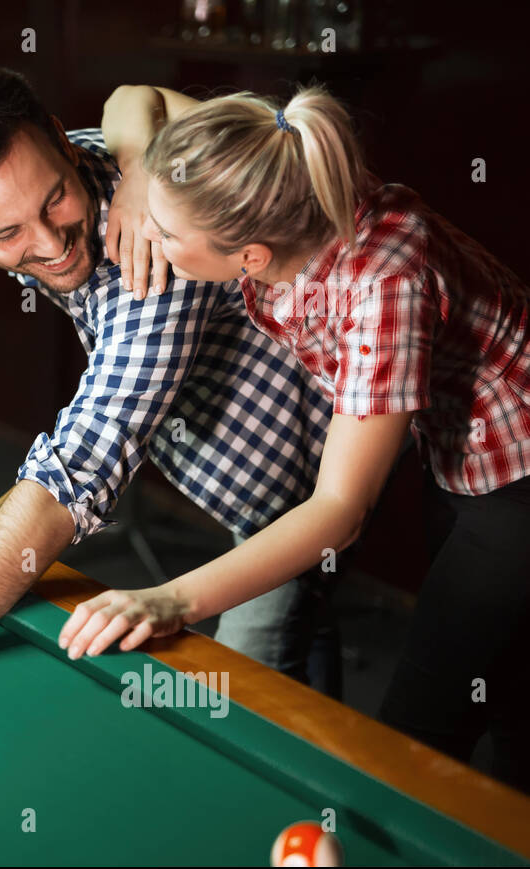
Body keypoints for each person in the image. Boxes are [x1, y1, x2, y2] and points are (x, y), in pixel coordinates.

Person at [0, 66, 341, 717]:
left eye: (54, 200)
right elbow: (126, 101)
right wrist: (134, 155)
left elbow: (84, 460)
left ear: (62, 141)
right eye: (5, 235)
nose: (51, 243)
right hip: (243, 454)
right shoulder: (56, 175)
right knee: (312, 637)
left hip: (293, 494)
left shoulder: (154, 254)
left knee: (248, 704)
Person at [79, 84, 530, 791]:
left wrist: (170, 600)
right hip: (460, 458)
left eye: (165, 236)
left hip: (516, 480)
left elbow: (339, 513)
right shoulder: (282, 169)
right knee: (504, 678)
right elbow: (133, 98)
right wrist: (140, 172)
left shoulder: (383, 285)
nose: (149, 239)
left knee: (415, 744)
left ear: (250, 259)